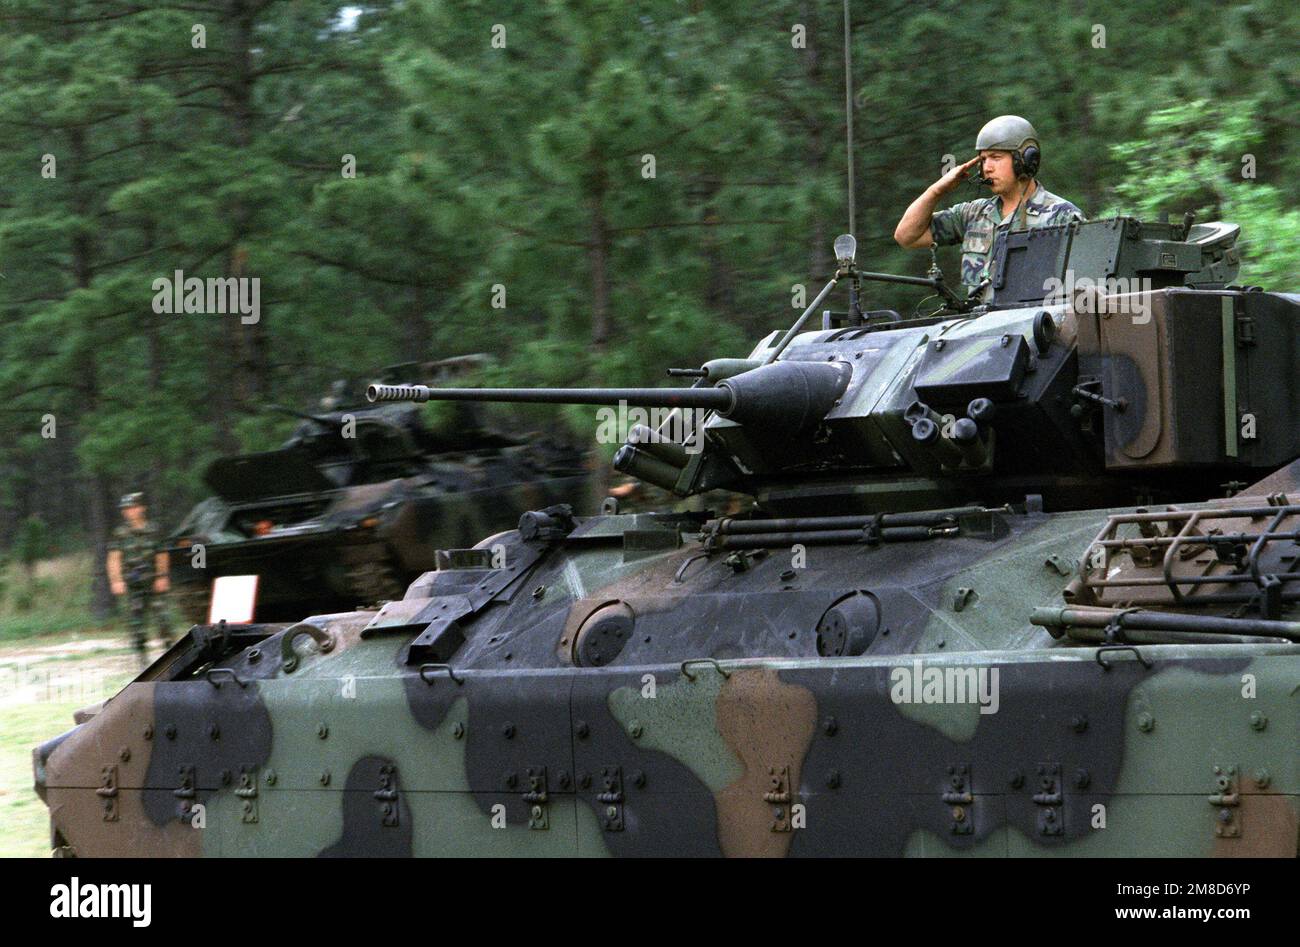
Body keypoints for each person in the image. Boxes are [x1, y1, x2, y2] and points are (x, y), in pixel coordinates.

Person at [893, 115, 1084, 301]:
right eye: (983, 159)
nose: (987, 167)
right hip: (983, 329)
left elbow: (1086, 288)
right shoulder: (972, 215)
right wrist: (936, 190)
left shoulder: (1062, 216)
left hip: (1037, 328)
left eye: (995, 157)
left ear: (1024, 160)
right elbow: (906, 236)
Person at [106, 492, 173, 667]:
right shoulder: (120, 533)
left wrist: (162, 576)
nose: (129, 512)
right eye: (126, 509)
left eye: (133, 507)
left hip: (153, 582)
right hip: (133, 585)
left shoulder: (154, 530)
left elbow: (162, 554)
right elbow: (114, 558)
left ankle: (171, 656)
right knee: (137, 624)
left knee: (163, 619)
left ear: (142, 508)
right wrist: (116, 580)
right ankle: (142, 660)